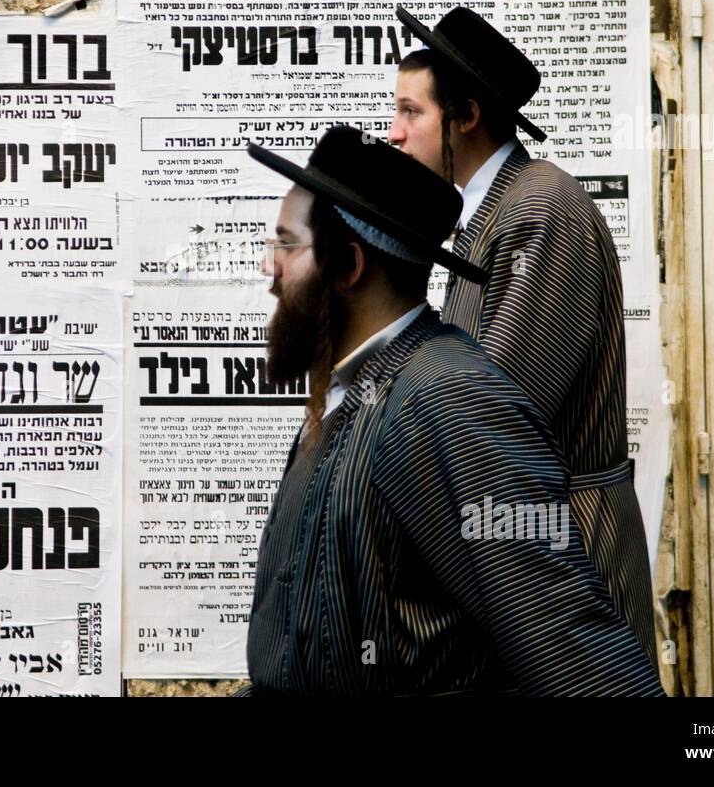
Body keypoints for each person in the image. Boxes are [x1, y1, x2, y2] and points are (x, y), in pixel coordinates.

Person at [237, 124, 663, 695]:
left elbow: (572, 654)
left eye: (288, 245)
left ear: (348, 266)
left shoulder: (449, 399)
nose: (271, 268)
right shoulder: (345, 396)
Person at [387, 4, 656, 665]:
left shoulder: (538, 207)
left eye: (410, 112)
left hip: (566, 565)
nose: (393, 133)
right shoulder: (496, 212)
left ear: (467, 116)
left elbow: (494, 420)